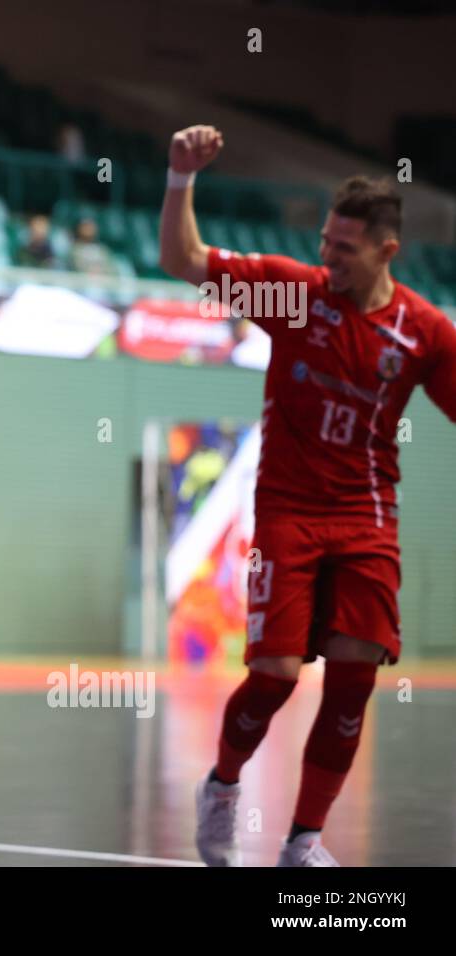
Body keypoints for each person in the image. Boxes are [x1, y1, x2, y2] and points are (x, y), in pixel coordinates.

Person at [160, 126, 456, 867]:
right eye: (324, 241)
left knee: (353, 680)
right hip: (287, 514)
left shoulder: (425, 333)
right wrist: (179, 176)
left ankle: (304, 840)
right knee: (274, 678)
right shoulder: (293, 295)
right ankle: (223, 787)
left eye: (343, 249)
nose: (328, 257)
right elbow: (183, 259)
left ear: (389, 252)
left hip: (367, 518)